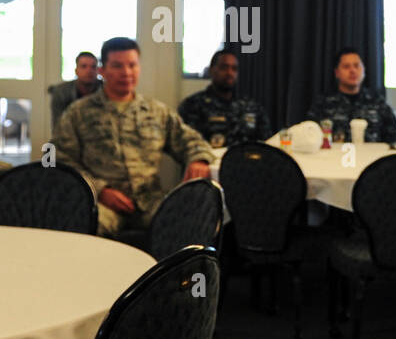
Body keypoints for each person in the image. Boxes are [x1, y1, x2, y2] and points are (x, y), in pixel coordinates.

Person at [53, 36, 214, 237]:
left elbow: (190, 140)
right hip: (102, 203)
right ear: (102, 71)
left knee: (191, 225)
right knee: (84, 226)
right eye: (117, 66)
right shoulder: (78, 113)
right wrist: (100, 190)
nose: (126, 73)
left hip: (150, 201)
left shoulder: (156, 111)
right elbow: (59, 160)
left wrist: (198, 159)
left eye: (132, 65)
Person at [178, 48, 273, 148]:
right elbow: (186, 146)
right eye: (224, 68)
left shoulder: (252, 107)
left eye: (234, 69)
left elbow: (266, 143)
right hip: (210, 162)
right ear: (211, 70)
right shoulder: (192, 105)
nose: (230, 73)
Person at [305, 48, 396, 143]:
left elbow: (395, 134)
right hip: (334, 156)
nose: (353, 71)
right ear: (337, 73)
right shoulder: (323, 103)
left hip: (371, 156)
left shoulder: (377, 102)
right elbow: (309, 133)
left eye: (357, 66)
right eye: (346, 66)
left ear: (364, 70)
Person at [48, 51, 103, 129]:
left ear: (98, 71)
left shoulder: (106, 90)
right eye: (84, 66)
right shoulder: (61, 92)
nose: (89, 71)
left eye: (93, 67)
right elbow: (58, 126)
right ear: (76, 71)